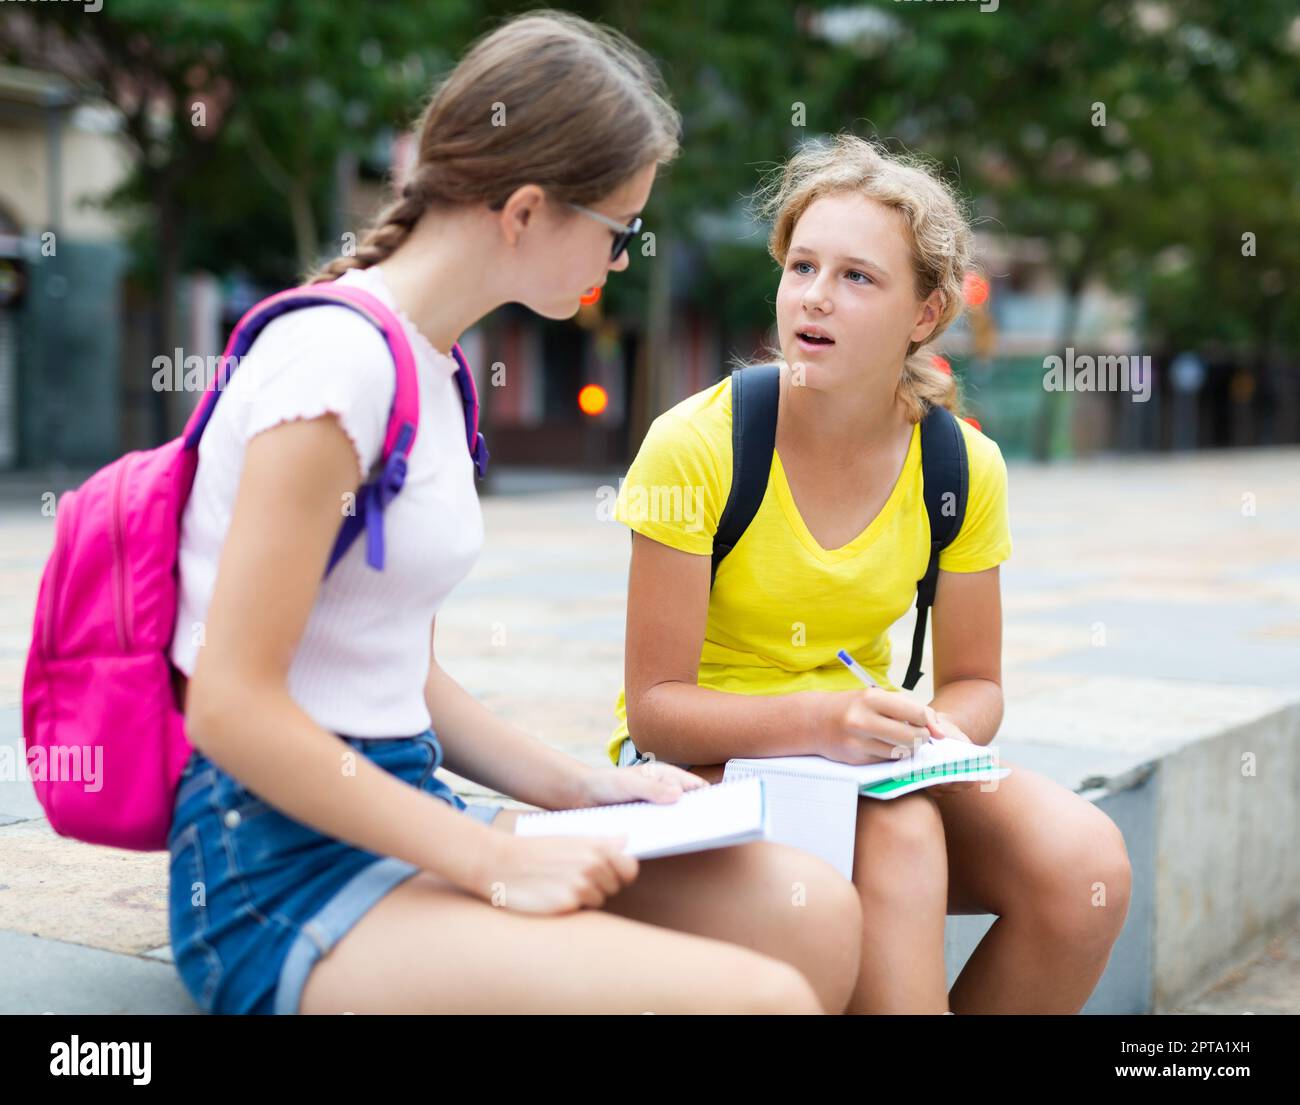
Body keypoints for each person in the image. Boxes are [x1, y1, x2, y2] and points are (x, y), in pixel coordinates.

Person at [167, 10, 862, 1016]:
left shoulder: (437, 368)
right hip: (274, 869)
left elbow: (400, 672)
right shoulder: (331, 366)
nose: (622, 261)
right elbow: (229, 705)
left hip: (406, 809)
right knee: (765, 999)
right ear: (527, 210)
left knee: (810, 911)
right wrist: (489, 859)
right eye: (620, 230)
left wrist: (586, 789)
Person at [610, 133, 1132, 1014]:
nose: (814, 296)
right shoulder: (695, 445)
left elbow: (977, 685)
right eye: (802, 266)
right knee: (901, 835)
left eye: (858, 277)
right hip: (702, 763)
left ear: (925, 314)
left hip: (867, 759)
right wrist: (827, 721)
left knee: (1086, 866)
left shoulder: (962, 466)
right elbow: (657, 710)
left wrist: (911, 731)